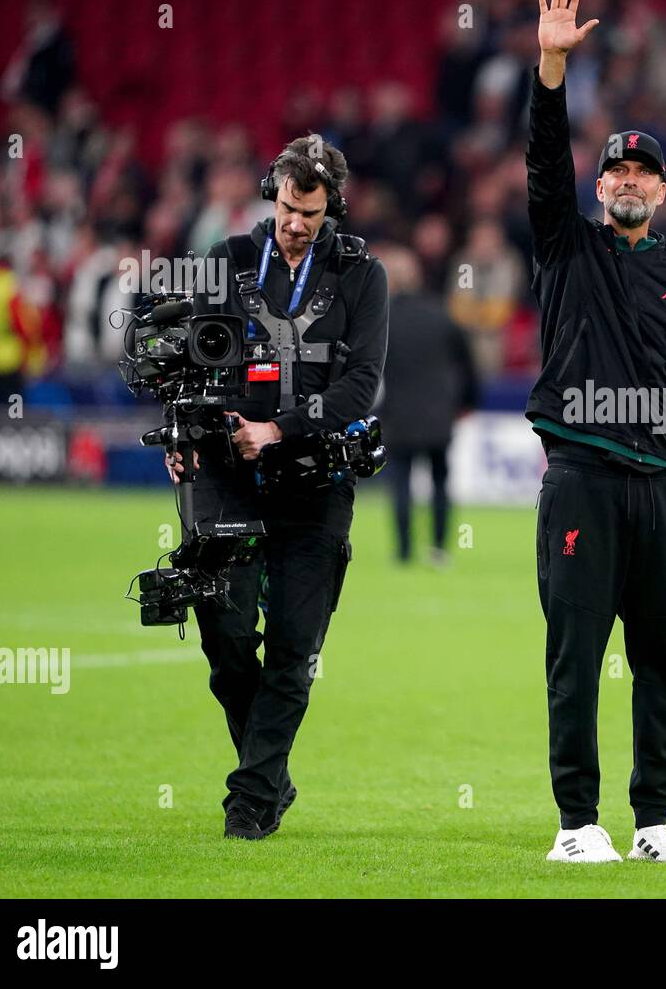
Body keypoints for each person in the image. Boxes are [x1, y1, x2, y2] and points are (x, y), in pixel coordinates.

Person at [527, 0, 666, 863]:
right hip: (582, 481)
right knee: (576, 661)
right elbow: (546, 166)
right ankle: (578, 826)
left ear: (659, 191)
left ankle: (653, 821)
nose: (625, 180)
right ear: (603, 183)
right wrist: (551, 67)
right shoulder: (566, 248)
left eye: (641, 172)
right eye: (614, 169)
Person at [166, 136, 388, 839]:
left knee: (294, 648)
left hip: (316, 483)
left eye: (312, 212)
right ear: (274, 192)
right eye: (290, 207)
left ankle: (251, 807)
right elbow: (179, 359)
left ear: (333, 208)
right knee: (225, 640)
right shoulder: (226, 262)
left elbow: (360, 386)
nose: (297, 223)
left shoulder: (362, 275)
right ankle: (269, 776)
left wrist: (279, 428)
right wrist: (181, 434)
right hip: (227, 479)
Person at [378, 243, 478, 565]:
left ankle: (404, 550)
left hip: (398, 416)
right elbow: (468, 365)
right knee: (439, 483)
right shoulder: (442, 314)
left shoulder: (381, 321)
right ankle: (438, 548)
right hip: (439, 416)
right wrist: (465, 403)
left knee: (401, 484)